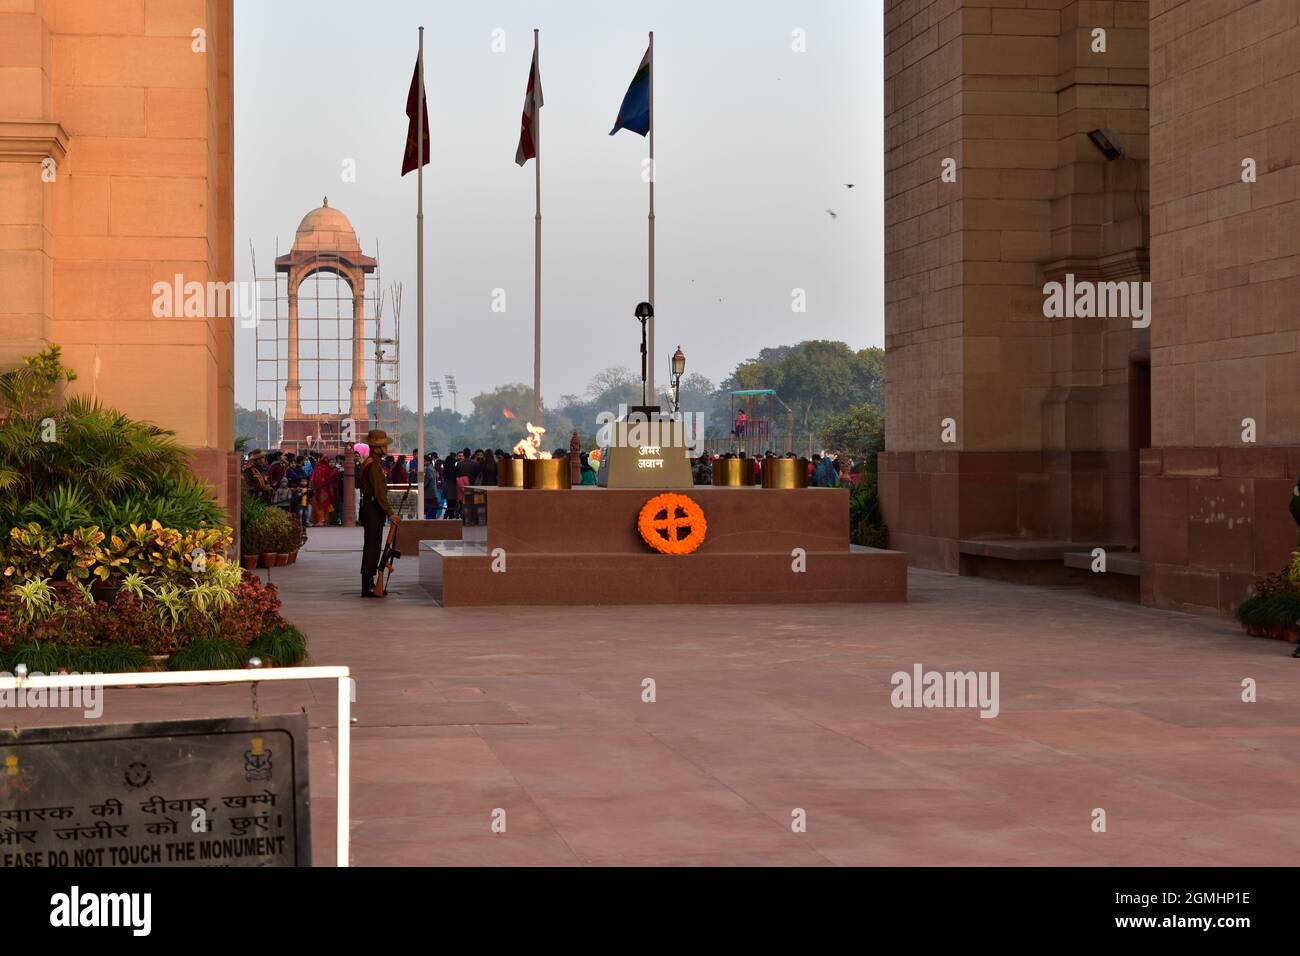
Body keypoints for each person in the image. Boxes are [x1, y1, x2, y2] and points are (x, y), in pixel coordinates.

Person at [358, 428, 399, 597]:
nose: (386, 448)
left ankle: (369, 583)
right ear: (376, 447)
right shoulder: (374, 466)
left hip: (371, 508)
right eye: (383, 445)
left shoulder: (372, 462)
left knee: (372, 546)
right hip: (373, 508)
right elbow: (379, 493)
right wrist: (390, 513)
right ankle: (367, 585)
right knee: (372, 547)